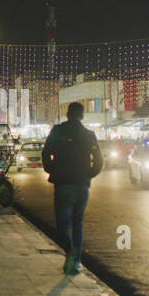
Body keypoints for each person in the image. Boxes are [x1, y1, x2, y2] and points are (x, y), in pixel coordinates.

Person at [42, 103, 104, 275]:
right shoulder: (88, 134)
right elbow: (98, 160)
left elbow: (46, 153)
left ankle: (71, 253)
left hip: (63, 183)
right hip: (81, 184)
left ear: (68, 114)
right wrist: (89, 174)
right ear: (82, 116)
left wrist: (52, 169)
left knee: (62, 226)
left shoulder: (58, 131)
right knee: (78, 224)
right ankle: (75, 260)